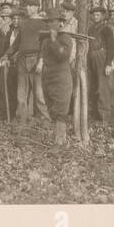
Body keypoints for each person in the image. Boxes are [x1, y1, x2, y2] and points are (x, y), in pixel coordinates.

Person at [6, 0, 48, 123]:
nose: (28, 8)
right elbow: (17, 43)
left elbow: (45, 44)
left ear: (36, 7)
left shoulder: (43, 23)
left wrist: (41, 60)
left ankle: (45, 119)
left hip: (36, 60)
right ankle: (21, 119)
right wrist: (6, 55)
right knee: (21, 93)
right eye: (27, 6)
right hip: (22, 60)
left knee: (39, 93)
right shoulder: (23, 23)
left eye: (31, 6)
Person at [38, 12, 76, 146]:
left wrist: (54, 40)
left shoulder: (65, 38)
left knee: (60, 110)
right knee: (51, 108)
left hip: (61, 78)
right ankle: (57, 137)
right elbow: (42, 55)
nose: (50, 24)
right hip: (47, 77)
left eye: (52, 22)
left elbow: (63, 56)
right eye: (47, 22)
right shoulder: (45, 39)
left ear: (60, 23)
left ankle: (60, 141)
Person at [86, 5, 114, 121]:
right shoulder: (91, 29)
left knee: (103, 87)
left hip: (102, 57)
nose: (95, 16)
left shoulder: (106, 28)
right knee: (93, 85)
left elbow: (111, 47)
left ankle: (105, 116)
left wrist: (108, 63)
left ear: (103, 16)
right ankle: (95, 113)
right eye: (94, 15)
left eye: (98, 15)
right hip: (91, 56)